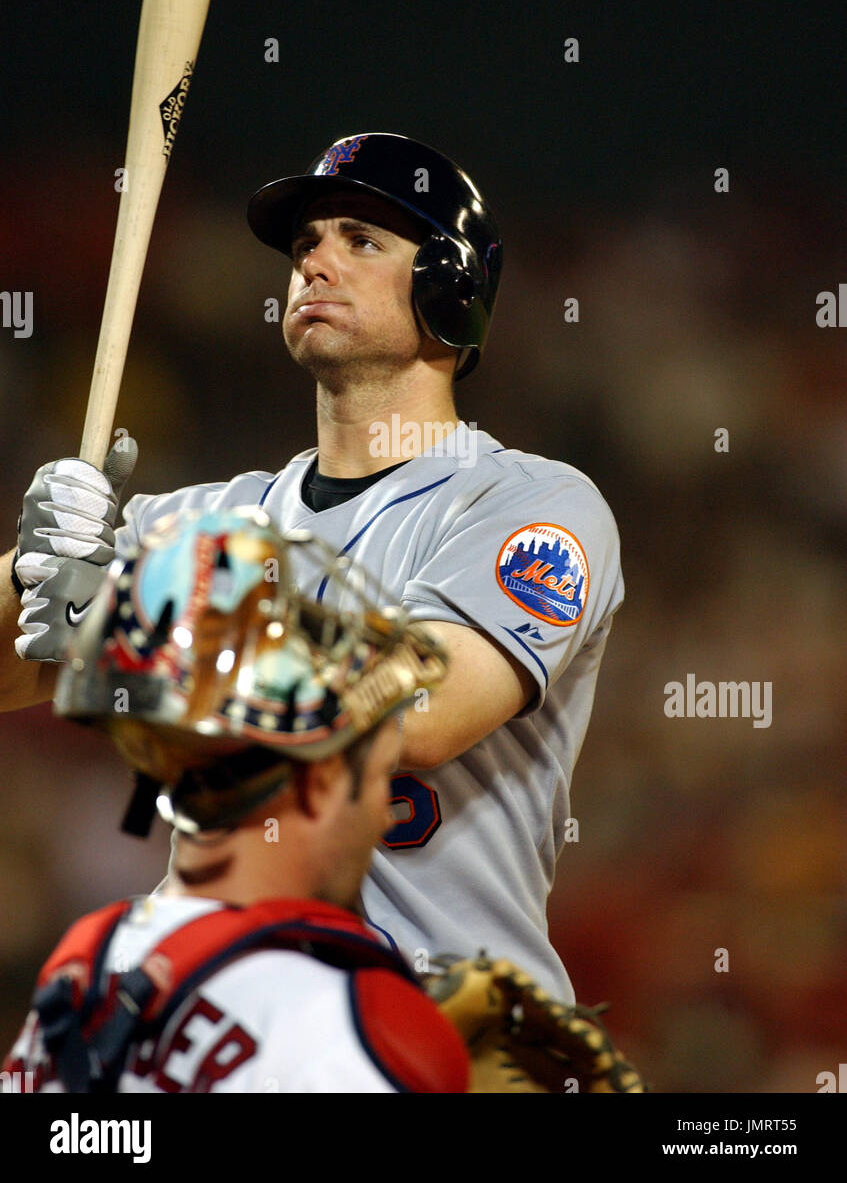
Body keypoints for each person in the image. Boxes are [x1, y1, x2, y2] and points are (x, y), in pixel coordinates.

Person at [0, 132, 624, 1000]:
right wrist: (41, 564)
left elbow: (414, 716)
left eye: (361, 240)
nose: (315, 261)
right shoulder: (203, 519)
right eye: (305, 244)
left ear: (452, 289)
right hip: (230, 1024)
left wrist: (136, 619)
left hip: (444, 1027)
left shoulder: (529, 502)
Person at [2, 509, 468, 1093]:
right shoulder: (356, 1030)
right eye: (377, 784)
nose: (380, 818)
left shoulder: (85, 964)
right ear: (319, 783)